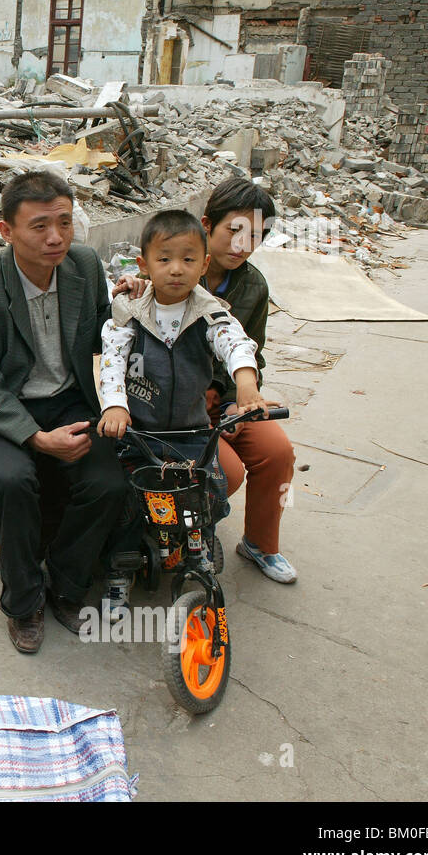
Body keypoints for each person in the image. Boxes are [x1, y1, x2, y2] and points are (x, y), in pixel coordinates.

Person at [0, 171, 131, 654]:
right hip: (4, 406)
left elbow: (98, 338)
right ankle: (22, 602)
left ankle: (68, 586)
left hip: (70, 398)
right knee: (11, 481)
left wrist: (132, 306)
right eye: (39, 226)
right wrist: (36, 438)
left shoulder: (85, 266)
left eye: (65, 223)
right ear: (6, 231)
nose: (56, 238)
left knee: (110, 481)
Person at [97, 209, 269, 618]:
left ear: (204, 264)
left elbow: (236, 343)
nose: (177, 270)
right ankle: (120, 571)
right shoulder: (130, 311)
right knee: (126, 499)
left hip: (191, 431)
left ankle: (201, 543)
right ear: (144, 264)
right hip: (138, 431)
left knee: (206, 489)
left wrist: (246, 384)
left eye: (189, 259)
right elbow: (112, 360)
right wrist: (116, 405)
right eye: (165, 259)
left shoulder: (210, 311)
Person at [200, 177, 298, 583]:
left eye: (256, 235)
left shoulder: (253, 285)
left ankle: (260, 543)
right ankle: (183, 537)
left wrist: (240, 400)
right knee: (228, 472)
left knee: (278, 452)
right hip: (176, 406)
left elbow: (252, 353)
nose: (242, 245)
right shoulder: (174, 268)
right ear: (207, 224)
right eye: (233, 230)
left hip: (227, 401)